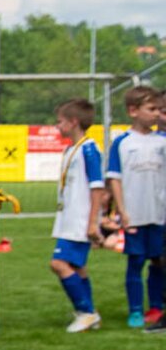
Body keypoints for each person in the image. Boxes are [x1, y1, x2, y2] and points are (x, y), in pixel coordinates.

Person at [105, 86, 166, 330]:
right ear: (133, 111)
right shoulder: (122, 143)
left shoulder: (162, 141)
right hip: (134, 215)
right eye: (151, 109)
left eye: (159, 109)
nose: (157, 114)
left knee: (159, 261)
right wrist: (122, 211)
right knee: (136, 261)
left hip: (159, 214)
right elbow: (115, 179)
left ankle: (156, 307)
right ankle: (135, 310)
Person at [47, 98, 106, 332]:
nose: (57, 126)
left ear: (73, 122)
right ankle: (90, 314)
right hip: (69, 219)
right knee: (77, 266)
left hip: (80, 221)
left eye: (60, 122)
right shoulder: (71, 149)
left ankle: (86, 311)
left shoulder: (89, 149)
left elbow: (97, 187)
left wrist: (92, 223)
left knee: (58, 263)